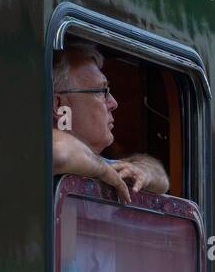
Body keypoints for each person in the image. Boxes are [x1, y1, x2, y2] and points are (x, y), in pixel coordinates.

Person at [51, 43, 169, 202]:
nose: (114, 103)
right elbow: (58, 150)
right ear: (59, 106)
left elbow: (160, 176)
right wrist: (103, 170)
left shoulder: (94, 162)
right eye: (102, 91)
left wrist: (142, 171)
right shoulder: (40, 151)